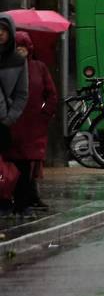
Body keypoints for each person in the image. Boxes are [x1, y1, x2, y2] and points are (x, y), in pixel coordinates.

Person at [4, 31, 56, 215]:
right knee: (10, 164)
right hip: (11, 124)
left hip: (33, 126)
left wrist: (44, 114)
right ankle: (10, 201)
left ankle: (23, 202)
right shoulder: (6, 67)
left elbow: (52, 95)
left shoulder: (39, 68)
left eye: (23, 47)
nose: (20, 51)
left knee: (27, 165)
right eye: (17, 47)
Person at [0, 15, 31, 218]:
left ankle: (15, 201)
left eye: (3, 30)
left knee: (13, 162)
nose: (0, 34)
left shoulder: (18, 60)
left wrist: (10, 117)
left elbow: (22, 93)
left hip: (6, 120)